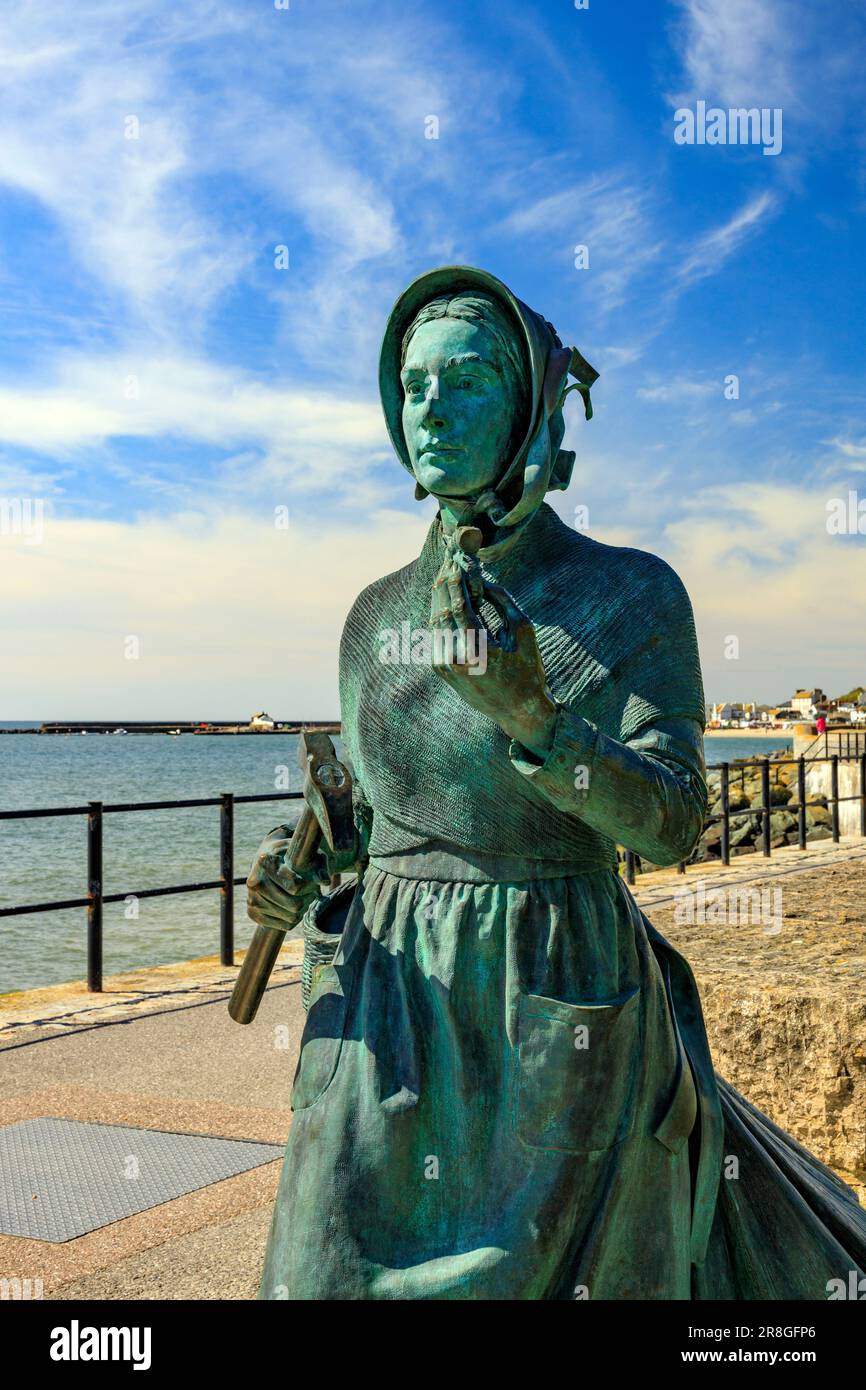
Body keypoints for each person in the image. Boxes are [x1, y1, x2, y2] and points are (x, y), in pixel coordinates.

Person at [251, 266, 866, 1299]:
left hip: (556, 998)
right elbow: (366, 809)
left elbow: (673, 820)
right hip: (391, 1003)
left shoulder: (629, 595)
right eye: (411, 386)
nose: (431, 407)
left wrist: (534, 716)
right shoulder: (371, 618)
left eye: (468, 378)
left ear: (531, 400)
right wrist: (306, 862)